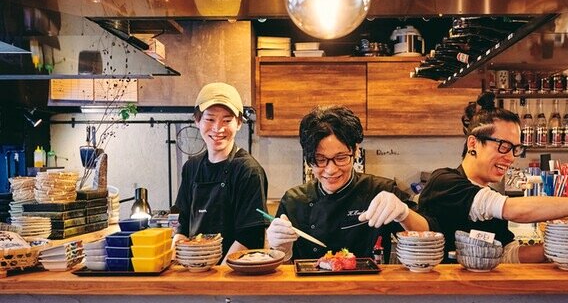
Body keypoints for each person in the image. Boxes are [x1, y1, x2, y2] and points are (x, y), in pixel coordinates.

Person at [418, 92, 568, 263]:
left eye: (515, 149)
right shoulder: (445, 182)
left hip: (482, 294)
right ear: (473, 143)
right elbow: (512, 209)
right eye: (503, 146)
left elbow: (506, 254)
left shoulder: (489, 193)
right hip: (442, 293)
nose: (510, 157)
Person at [266, 105, 436, 261]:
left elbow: (430, 235)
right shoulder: (293, 201)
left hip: (369, 284)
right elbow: (279, 269)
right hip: (311, 285)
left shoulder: (380, 190)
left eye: (341, 158)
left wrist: (404, 214)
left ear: (355, 151)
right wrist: (281, 250)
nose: (331, 170)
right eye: (320, 159)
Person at [174, 82, 268, 258]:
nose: (218, 128)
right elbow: (183, 223)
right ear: (197, 121)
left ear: (239, 123)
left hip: (232, 270)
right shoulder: (191, 167)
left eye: (227, 120)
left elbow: (249, 237)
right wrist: (180, 261)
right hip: (194, 267)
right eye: (210, 119)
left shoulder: (248, 171)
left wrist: (220, 273)